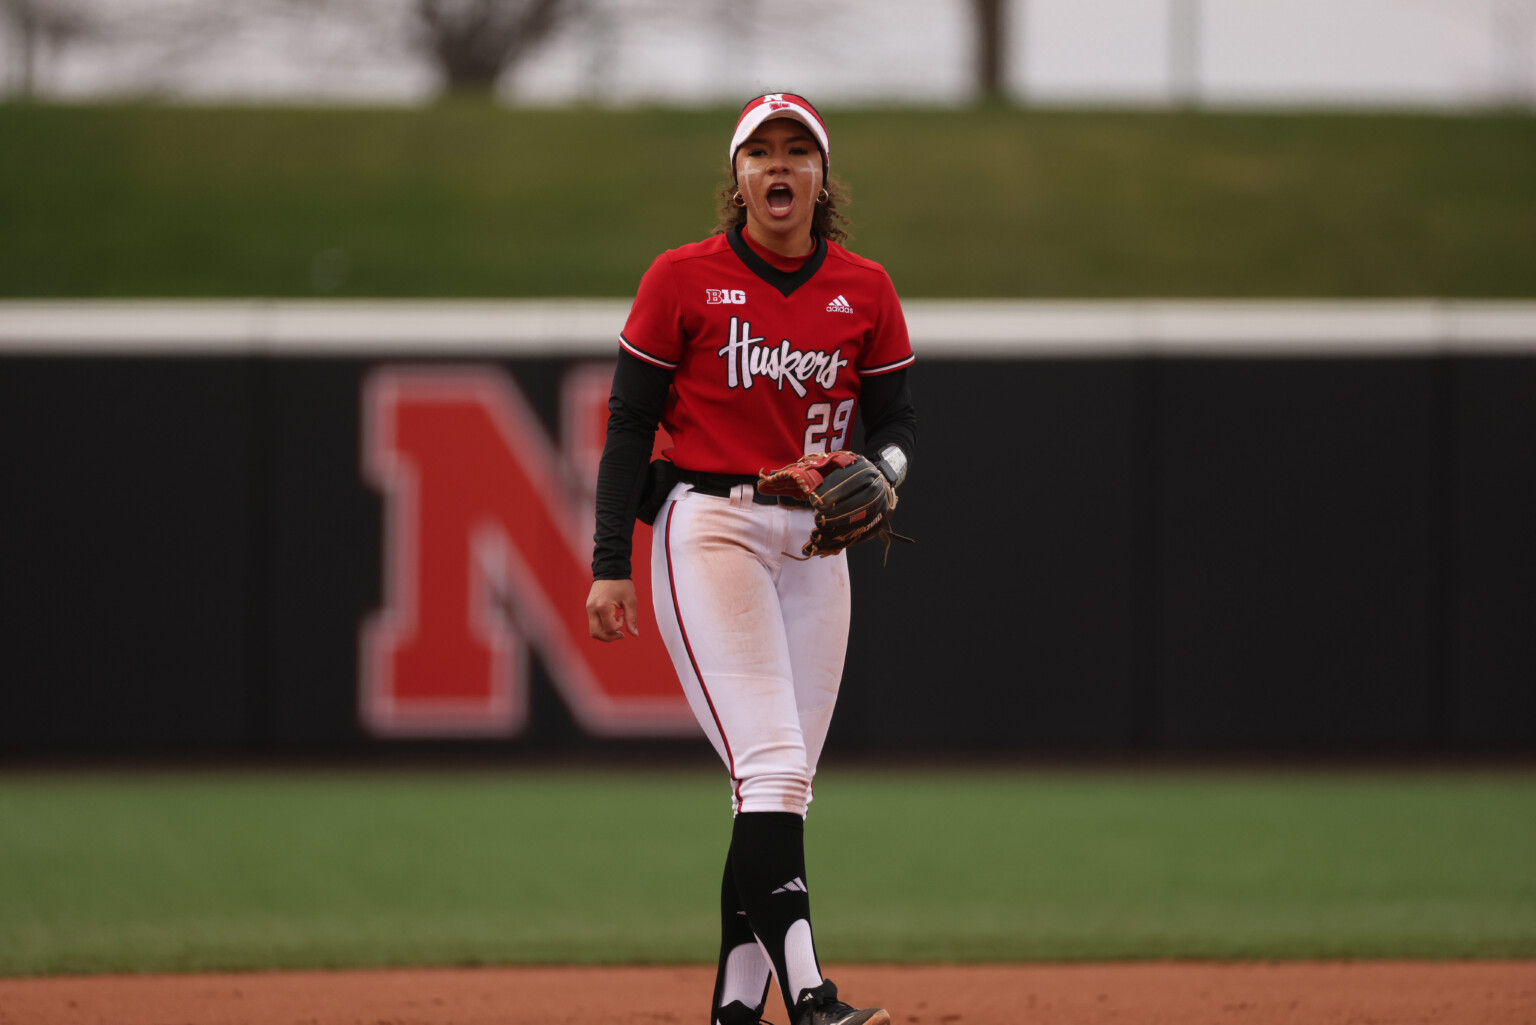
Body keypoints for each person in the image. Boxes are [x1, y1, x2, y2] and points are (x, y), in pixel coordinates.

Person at [585, 93, 916, 1025]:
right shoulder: (682, 279)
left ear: (821, 175)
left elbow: (896, 422)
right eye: (760, 152)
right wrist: (612, 559)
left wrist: (885, 472)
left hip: (816, 537)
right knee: (770, 763)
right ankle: (811, 994)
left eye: (797, 151)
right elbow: (628, 428)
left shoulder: (865, 287)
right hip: (714, 525)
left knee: (779, 786)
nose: (779, 166)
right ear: (736, 178)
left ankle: (736, 1010)